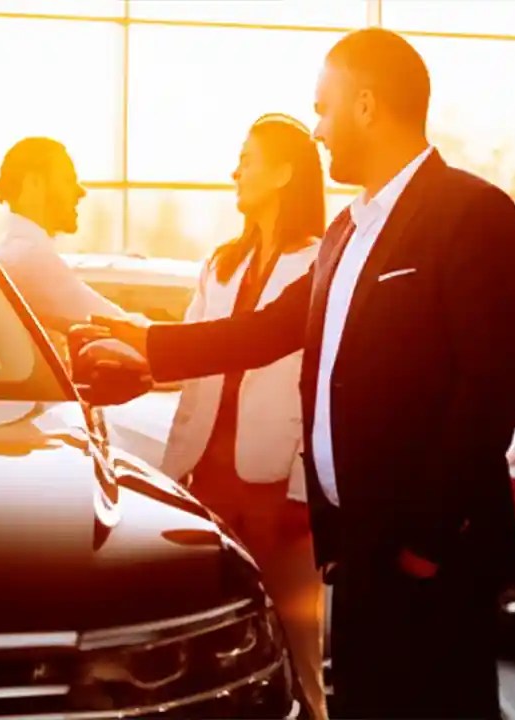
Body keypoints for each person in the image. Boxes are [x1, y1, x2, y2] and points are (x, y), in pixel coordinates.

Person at [85, 28, 515, 718]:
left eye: (322, 109)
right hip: (356, 546)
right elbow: (266, 331)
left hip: (429, 552)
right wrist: (147, 348)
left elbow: (488, 388)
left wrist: (426, 543)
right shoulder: (346, 231)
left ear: (366, 104)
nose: (317, 131)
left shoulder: (473, 212)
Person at [159, 112, 328, 720]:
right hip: (207, 484)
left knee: (299, 656)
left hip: (277, 492)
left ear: (285, 172)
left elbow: (321, 390)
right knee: (210, 659)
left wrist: (301, 490)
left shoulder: (319, 265)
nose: (235, 170)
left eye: (248, 159)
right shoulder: (220, 264)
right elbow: (191, 361)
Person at [0, 137, 127, 339]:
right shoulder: (29, 259)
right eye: (68, 180)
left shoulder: (15, 254)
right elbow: (114, 324)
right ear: (34, 183)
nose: (81, 192)